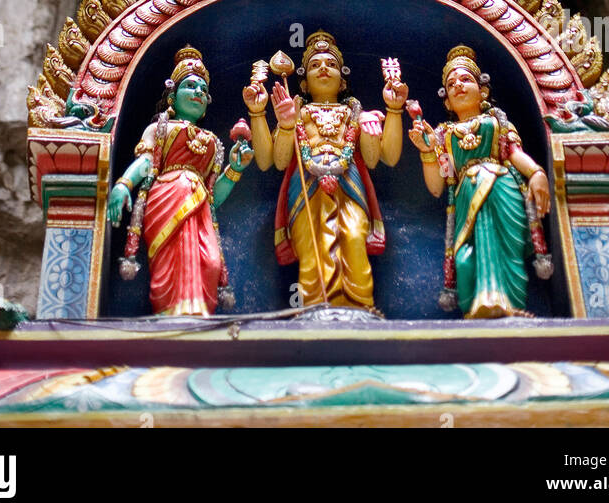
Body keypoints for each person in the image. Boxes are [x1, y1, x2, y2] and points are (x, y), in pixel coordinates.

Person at [242, 30, 407, 310]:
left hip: (349, 184)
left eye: (330, 64)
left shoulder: (354, 113)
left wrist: (392, 109)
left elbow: (383, 158)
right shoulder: (298, 113)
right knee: (312, 248)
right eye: (316, 65)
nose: (323, 69)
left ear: (343, 81)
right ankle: (315, 308)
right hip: (306, 186)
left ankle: (359, 308)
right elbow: (275, 162)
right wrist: (273, 119)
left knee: (354, 237)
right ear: (303, 84)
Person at [409, 45, 551, 319]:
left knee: (505, 253)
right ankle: (476, 307)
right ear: (447, 102)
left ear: (482, 91)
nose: (458, 86)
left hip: (502, 190)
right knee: (464, 260)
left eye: (466, 80)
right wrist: (427, 151)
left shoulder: (496, 122)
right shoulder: (444, 134)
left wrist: (536, 173)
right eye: (451, 84)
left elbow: (513, 153)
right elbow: (437, 187)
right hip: (466, 197)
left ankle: (509, 307)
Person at [108, 48, 251, 316]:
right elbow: (148, 163)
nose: (197, 92)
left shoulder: (213, 143)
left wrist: (235, 169)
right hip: (167, 199)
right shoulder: (160, 128)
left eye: (202, 89)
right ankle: (171, 313)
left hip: (201, 209)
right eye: (190, 86)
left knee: (209, 262)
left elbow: (213, 196)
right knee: (175, 256)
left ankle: (198, 312)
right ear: (172, 96)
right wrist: (124, 184)